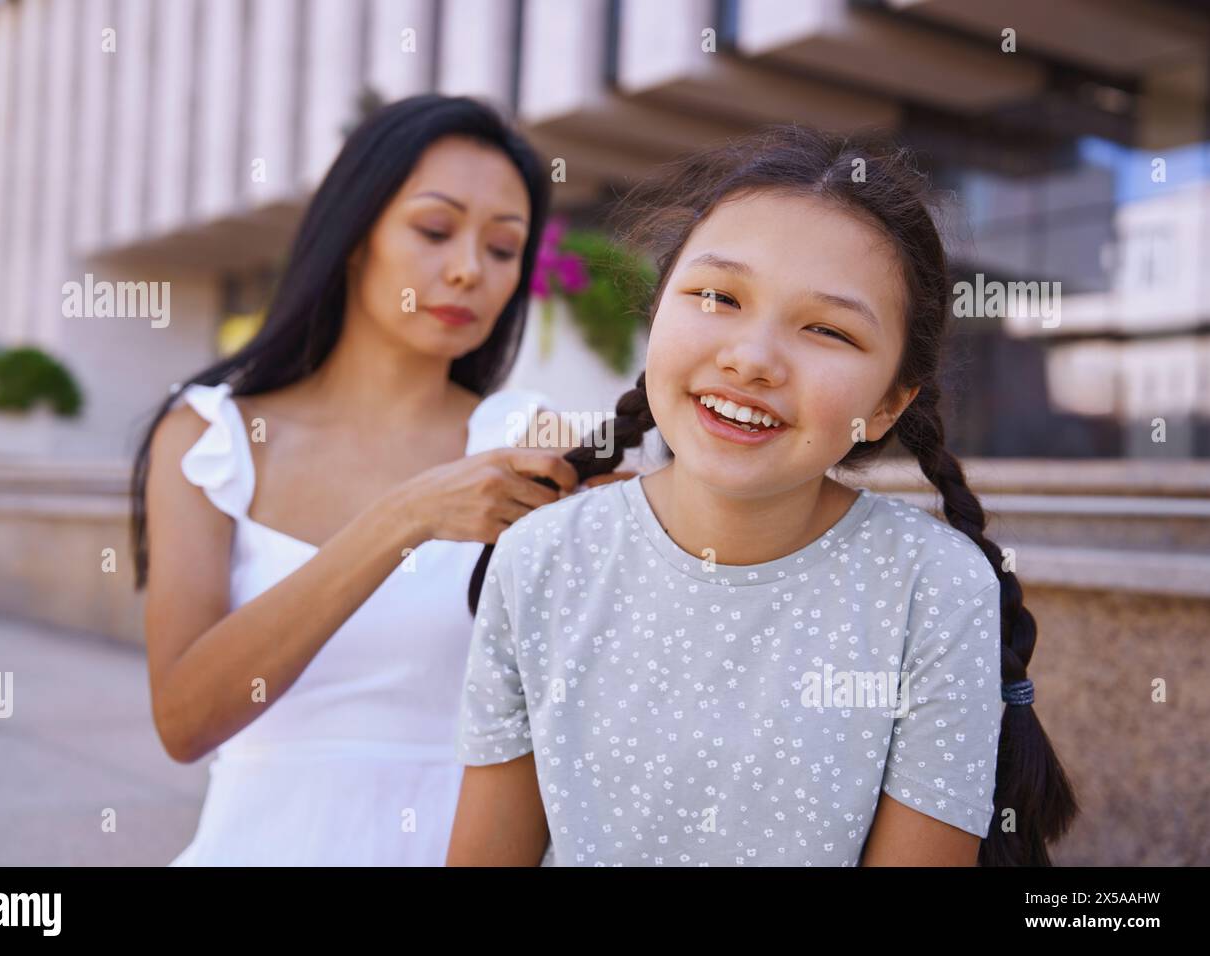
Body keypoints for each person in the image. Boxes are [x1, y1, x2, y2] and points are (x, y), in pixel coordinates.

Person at [448, 124, 1079, 867]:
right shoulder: (542, 558)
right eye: (718, 295)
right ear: (657, 312)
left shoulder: (933, 590)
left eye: (828, 330)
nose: (751, 359)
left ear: (887, 405)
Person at [130, 94, 590, 865]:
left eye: (504, 248)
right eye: (434, 230)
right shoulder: (211, 438)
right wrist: (402, 517)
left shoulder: (527, 443)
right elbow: (185, 720)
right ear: (354, 234)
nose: (468, 269)